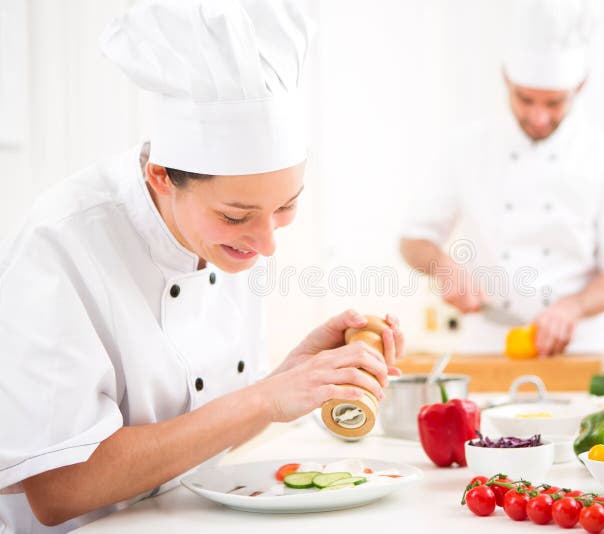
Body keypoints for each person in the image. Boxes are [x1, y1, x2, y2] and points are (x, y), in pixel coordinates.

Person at [0, 1, 403, 532]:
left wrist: (293, 378)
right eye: (237, 215)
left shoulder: (225, 239)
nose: (266, 243)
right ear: (163, 176)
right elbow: (60, 489)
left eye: (286, 205)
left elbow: (201, 430)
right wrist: (263, 399)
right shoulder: (63, 240)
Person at [400, 0, 604, 364]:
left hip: (581, 351)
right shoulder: (466, 147)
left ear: (580, 86)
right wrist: (444, 269)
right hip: (489, 347)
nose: (539, 116)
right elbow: (413, 241)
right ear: (507, 79)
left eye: (555, 103)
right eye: (525, 99)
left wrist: (572, 308)